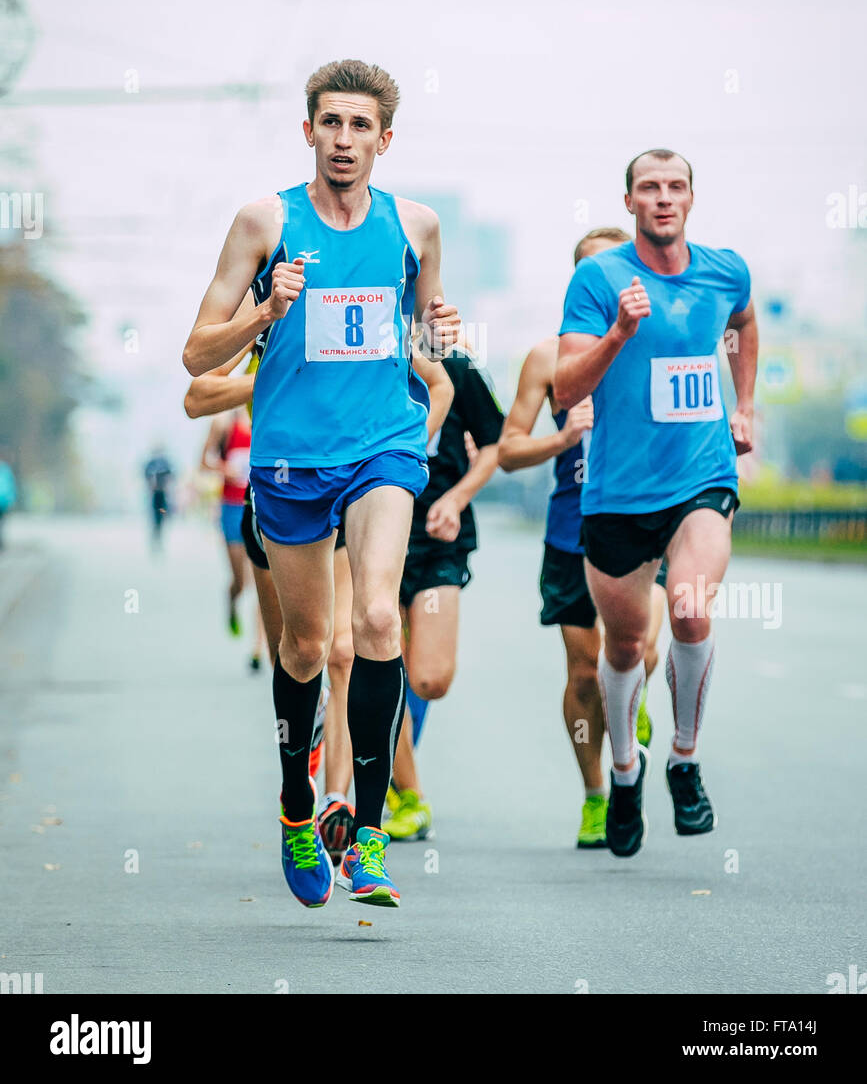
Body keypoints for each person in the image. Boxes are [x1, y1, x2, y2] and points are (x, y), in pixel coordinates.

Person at [183, 58, 461, 909]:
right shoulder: (264, 222)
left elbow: (425, 335)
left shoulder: (415, 227)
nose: (344, 140)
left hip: (383, 445)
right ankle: (297, 807)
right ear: (308, 131)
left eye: (360, 126)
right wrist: (266, 313)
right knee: (305, 647)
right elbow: (197, 357)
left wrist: (441, 335)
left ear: (385, 138)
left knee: (377, 618)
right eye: (329, 124)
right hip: (290, 459)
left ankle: (368, 833)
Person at [555, 150, 757, 857]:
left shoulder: (724, 270)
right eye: (649, 188)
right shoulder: (598, 279)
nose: (662, 199)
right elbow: (562, 390)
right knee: (627, 646)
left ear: (691, 199)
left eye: (675, 188)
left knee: (691, 609)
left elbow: (744, 321)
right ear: (629, 201)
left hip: (700, 478)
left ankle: (682, 757)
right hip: (615, 495)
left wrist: (746, 404)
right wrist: (617, 334)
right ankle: (622, 770)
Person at [498, 228, 668, 849]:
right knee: (580, 674)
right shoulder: (548, 359)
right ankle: (597, 795)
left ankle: (637, 695)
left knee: (640, 650)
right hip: (572, 527)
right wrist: (561, 440)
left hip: (645, 515)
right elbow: (509, 451)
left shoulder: (655, 342)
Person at [383, 341, 504, 842]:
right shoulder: (359, 358)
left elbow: (495, 445)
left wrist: (456, 498)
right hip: (372, 532)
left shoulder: (456, 364)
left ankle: (387, 756)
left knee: (428, 677)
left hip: (438, 539)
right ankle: (404, 791)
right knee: (378, 659)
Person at [199, 405, 261, 654]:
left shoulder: (267, 412)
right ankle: (232, 600)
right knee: (242, 581)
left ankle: (258, 648)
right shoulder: (224, 423)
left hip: (259, 505)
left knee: (263, 580)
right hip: (232, 508)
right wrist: (227, 469)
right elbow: (203, 462)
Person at [143, 447, 174, 550]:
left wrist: (166, 484)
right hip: (154, 494)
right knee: (155, 514)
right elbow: (145, 475)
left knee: (162, 512)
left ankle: (159, 530)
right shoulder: (151, 463)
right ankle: (156, 532)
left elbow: (171, 475)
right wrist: (150, 484)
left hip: (163, 494)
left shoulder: (165, 463)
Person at [0, 452, 16, 549]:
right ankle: (1, 542)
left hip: (3, 502)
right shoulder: (6, 470)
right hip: (4, 502)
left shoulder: (6, 470)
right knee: (2, 522)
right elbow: (11, 486)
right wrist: (11, 500)